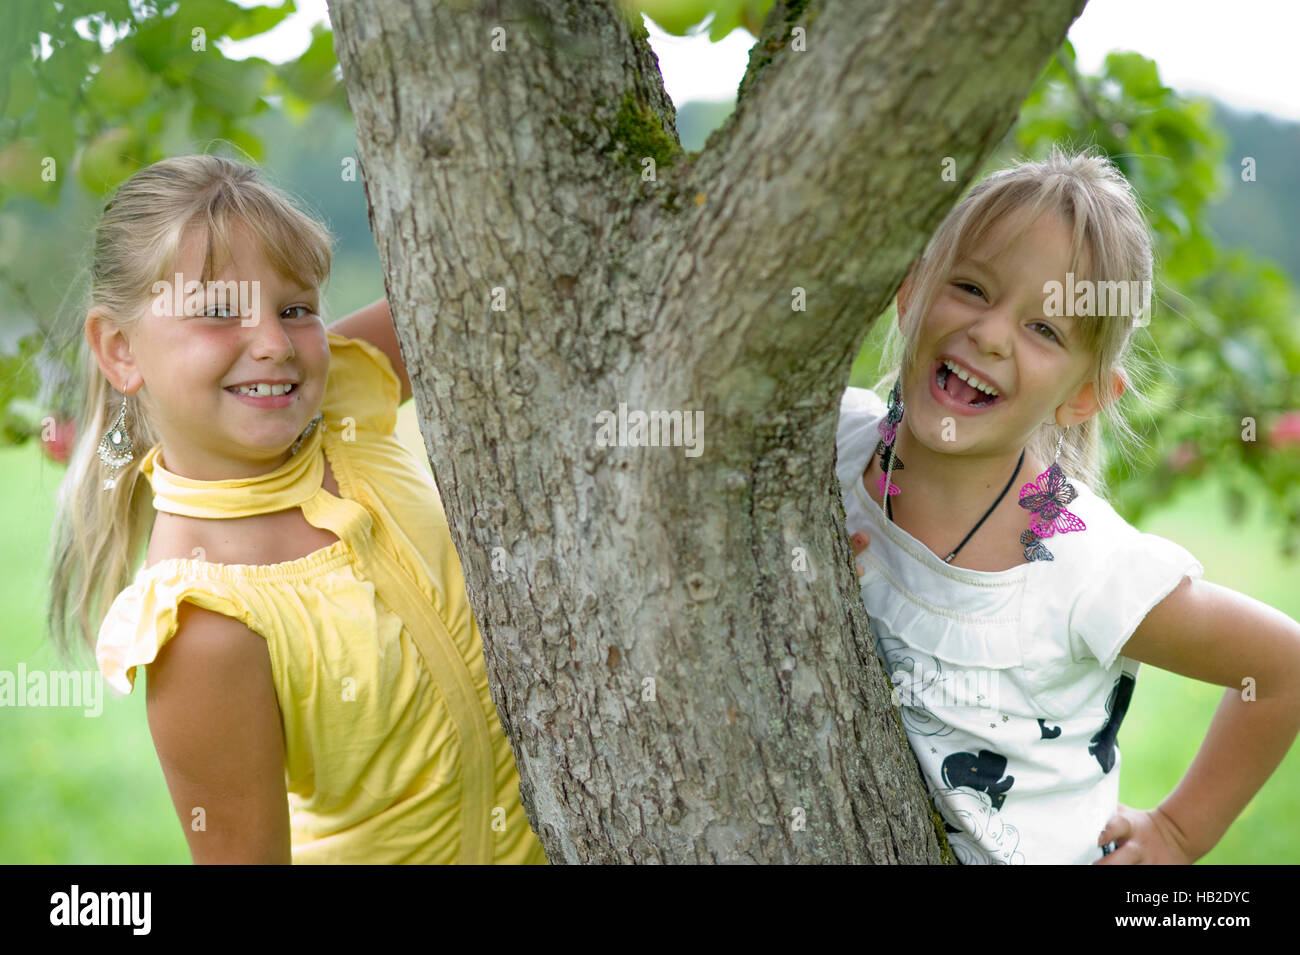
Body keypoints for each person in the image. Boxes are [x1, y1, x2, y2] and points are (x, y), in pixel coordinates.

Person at [46, 154, 547, 864]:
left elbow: (474, 294)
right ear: (120, 349)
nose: (275, 345)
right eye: (218, 313)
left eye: (296, 308)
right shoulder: (205, 622)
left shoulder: (338, 389)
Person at [838, 145, 1300, 864]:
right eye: (971, 287)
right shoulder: (829, 449)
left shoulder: (1082, 566)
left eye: (1044, 329)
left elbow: (1283, 666)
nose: (989, 334)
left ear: (1083, 394)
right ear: (910, 290)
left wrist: (1179, 831)